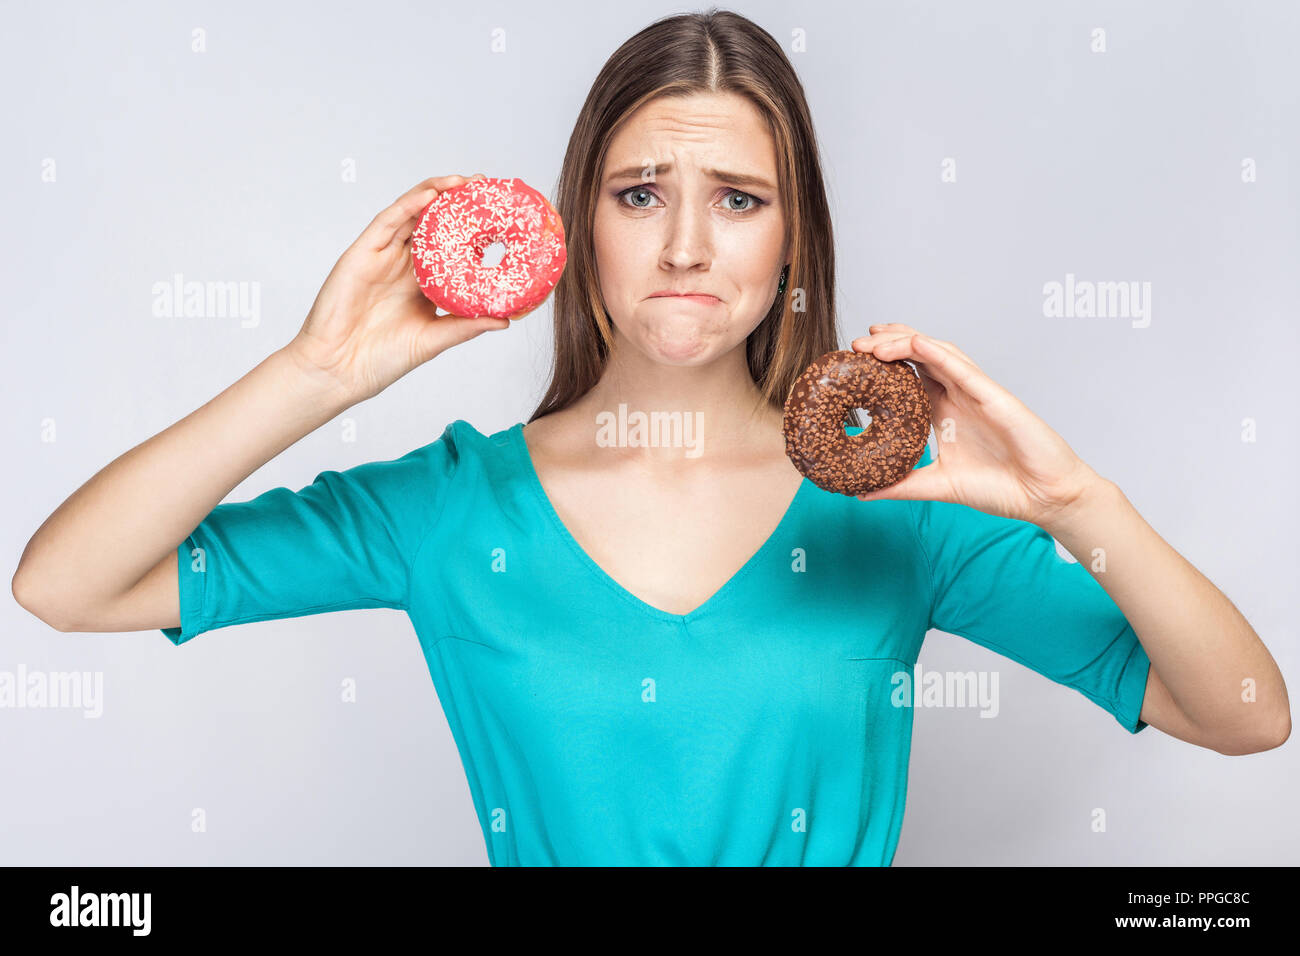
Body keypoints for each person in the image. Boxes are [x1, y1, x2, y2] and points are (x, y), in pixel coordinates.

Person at [12, 9, 1289, 866]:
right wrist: (316, 373)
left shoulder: (899, 509)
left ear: (791, 237)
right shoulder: (451, 507)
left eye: (736, 199)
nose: (684, 246)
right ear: (580, 226)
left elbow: (1242, 714)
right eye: (640, 195)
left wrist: (1076, 504)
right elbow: (67, 583)